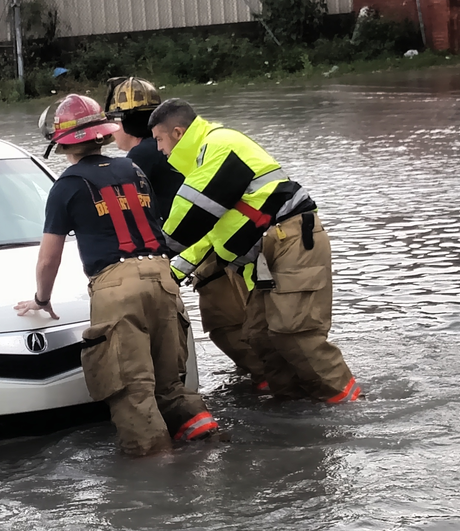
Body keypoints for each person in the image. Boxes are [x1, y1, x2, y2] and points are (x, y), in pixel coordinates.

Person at [16, 93, 222, 456]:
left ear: (62, 142)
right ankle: (209, 444)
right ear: (104, 134)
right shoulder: (134, 170)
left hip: (115, 284)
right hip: (163, 276)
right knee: (171, 385)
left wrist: (41, 300)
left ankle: (154, 483)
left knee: (132, 390)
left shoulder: (66, 186)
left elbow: (49, 259)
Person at [149, 97, 359, 404]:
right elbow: (208, 233)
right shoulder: (204, 159)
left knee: (295, 333)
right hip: (273, 249)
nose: (158, 149)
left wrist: (151, 255)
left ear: (178, 133)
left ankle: (350, 405)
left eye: (159, 140)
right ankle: (296, 407)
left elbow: (190, 216)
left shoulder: (219, 145)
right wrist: (170, 269)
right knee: (261, 336)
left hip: (293, 239)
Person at [105, 77, 261, 380]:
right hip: (220, 247)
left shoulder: (139, 159)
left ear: (126, 122)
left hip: (202, 253)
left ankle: (270, 385)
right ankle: (266, 383)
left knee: (227, 328)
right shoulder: (177, 147)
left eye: (114, 122)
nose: (111, 131)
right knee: (247, 326)